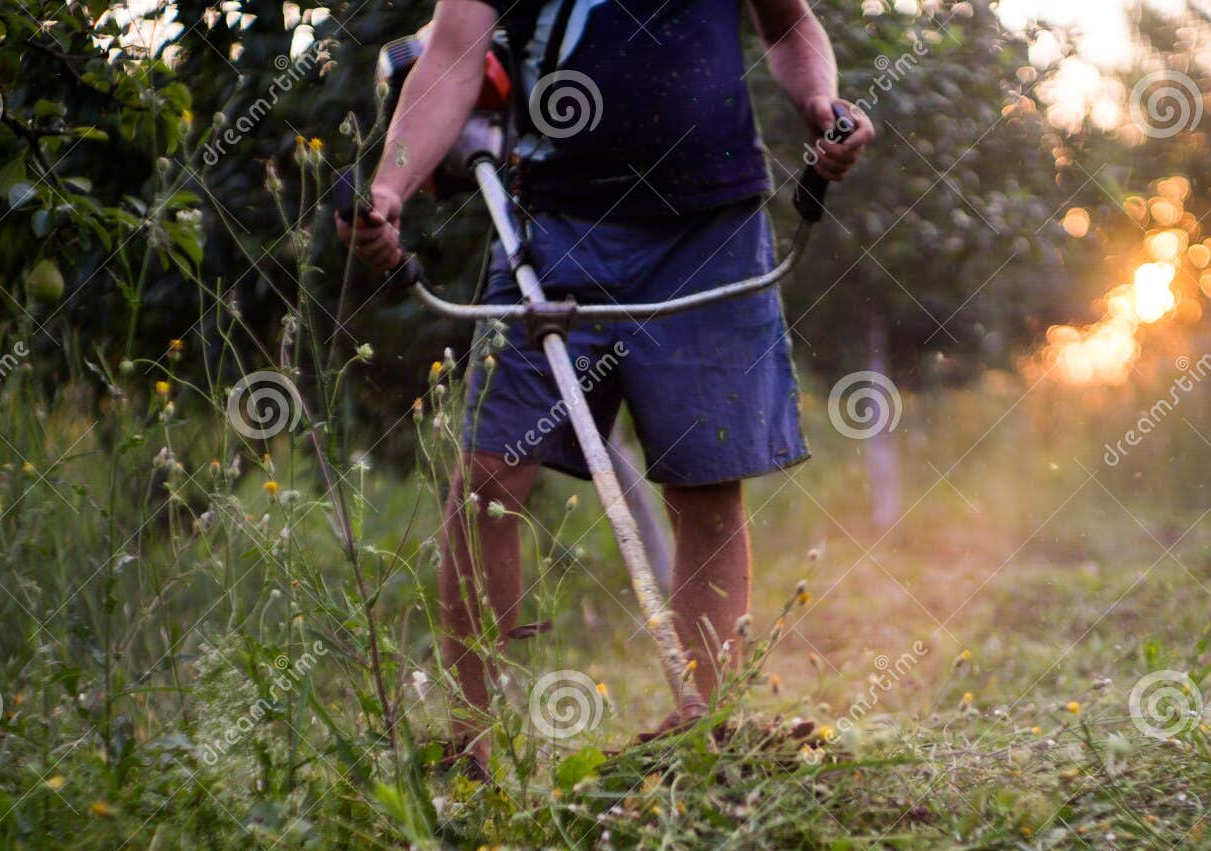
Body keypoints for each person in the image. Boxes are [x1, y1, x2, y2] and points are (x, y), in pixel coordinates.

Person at [337, 0, 872, 777]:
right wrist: (388, 190)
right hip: (553, 227)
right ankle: (470, 744)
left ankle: (706, 730)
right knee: (489, 477)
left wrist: (822, 104)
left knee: (707, 486)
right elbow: (452, 55)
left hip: (712, 226)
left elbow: (788, 28)